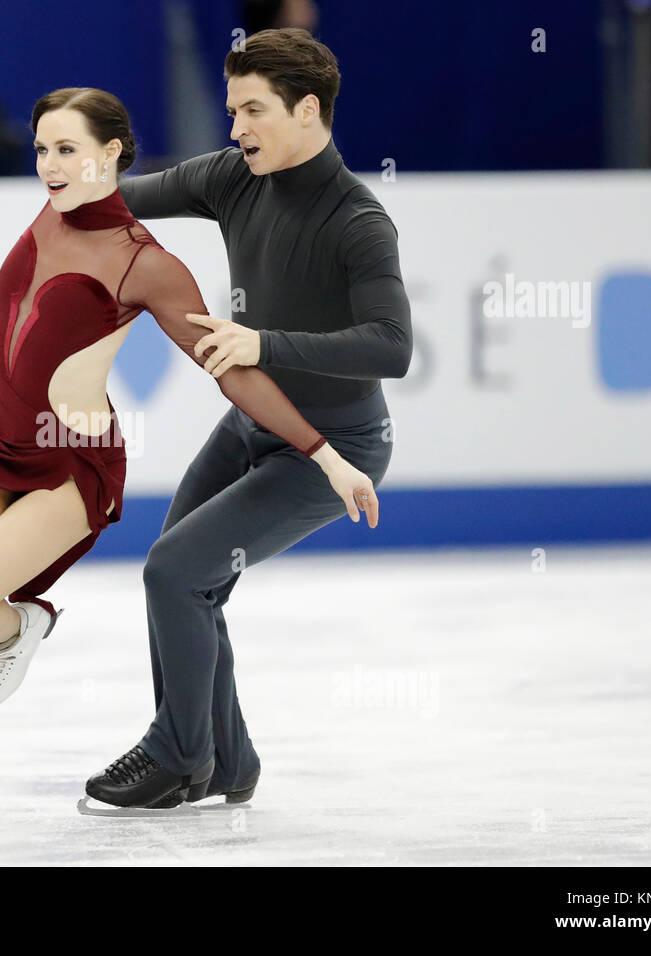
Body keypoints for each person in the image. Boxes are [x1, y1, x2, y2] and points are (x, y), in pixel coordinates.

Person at [0, 86, 377, 822]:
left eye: (67, 150)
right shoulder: (53, 208)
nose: (49, 165)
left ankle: (21, 625)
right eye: (41, 148)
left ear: (112, 154)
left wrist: (324, 454)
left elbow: (228, 369)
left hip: (69, 465)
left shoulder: (146, 263)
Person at [84, 28, 412, 809]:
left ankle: (179, 757)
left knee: (176, 573)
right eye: (232, 110)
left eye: (252, 111)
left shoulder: (358, 221)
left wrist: (263, 341)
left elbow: (392, 346)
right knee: (182, 572)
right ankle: (227, 762)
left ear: (307, 110)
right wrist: (74, 168)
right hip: (252, 427)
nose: (235, 129)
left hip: (335, 447)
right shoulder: (237, 178)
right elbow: (126, 196)